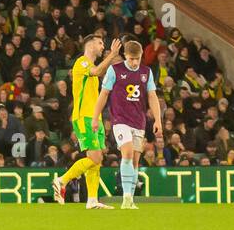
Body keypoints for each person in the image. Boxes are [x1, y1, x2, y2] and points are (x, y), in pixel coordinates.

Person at [91, 40, 163, 210]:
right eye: (131, 59)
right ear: (125, 56)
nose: (134, 62)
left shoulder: (146, 72)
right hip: (120, 120)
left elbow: (152, 96)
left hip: (139, 121)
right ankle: (126, 197)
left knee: (136, 161)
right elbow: (104, 94)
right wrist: (96, 117)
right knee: (128, 153)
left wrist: (158, 120)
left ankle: (130, 200)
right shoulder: (114, 70)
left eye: (137, 59)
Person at [53, 34, 120, 208]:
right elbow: (97, 72)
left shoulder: (89, 64)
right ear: (89, 45)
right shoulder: (81, 62)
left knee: (96, 158)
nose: (102, 46)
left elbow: (99, 72)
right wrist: (111, 55)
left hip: (94, 116)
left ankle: (92, 200)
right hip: (84, 116)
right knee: (96, 156)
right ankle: (62, 180)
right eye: (99, 43)